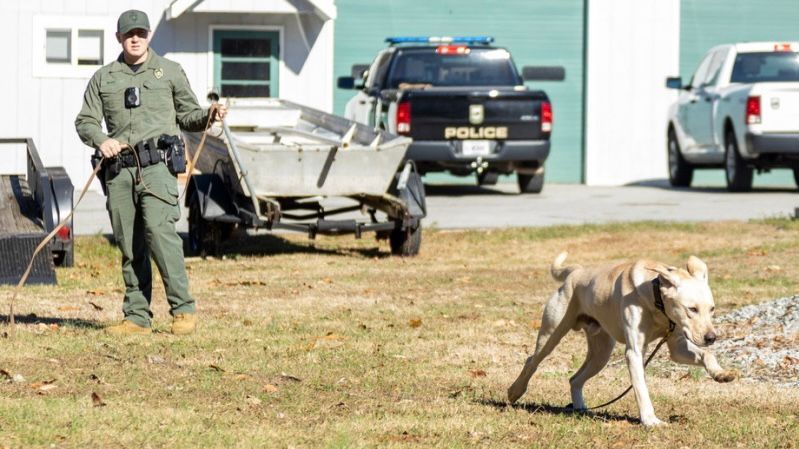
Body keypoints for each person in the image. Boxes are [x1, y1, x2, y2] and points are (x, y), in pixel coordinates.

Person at [75, 10, 227, 335]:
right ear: (119, 37)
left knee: (160, 234)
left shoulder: (169, 72)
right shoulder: (104, 78)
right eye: (129, 33)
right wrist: (101, 140)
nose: (135, 38)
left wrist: (209, 115)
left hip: (157, 167)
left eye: (141, 33)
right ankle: (136, 317)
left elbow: (188, 114)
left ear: (148, 36)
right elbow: (85, 121)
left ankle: (183, 310)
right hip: (119, 172)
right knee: (130, 244)